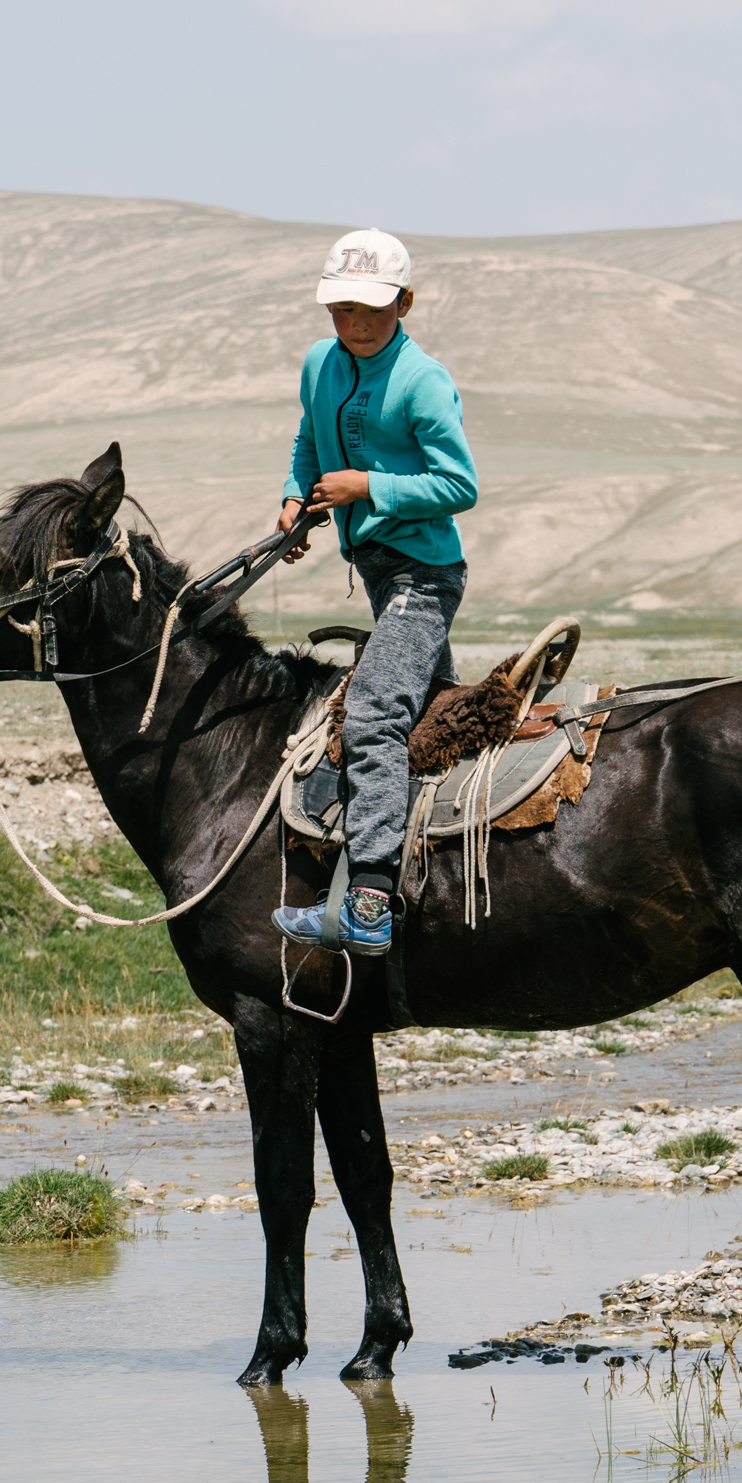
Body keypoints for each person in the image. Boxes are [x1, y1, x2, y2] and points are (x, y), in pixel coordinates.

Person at [270, 228, 479, 956]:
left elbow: (460, 485)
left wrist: (367, 486)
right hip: (378, 573)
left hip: (423, 576)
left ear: (405, 304)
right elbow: (309, 438)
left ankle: (368, 904)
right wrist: (296, 497)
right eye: (342, 308)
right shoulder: (319, 364)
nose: (355, 323)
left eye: (371, 308)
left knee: (373, 715)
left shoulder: (423, 381)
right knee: (433, 725)